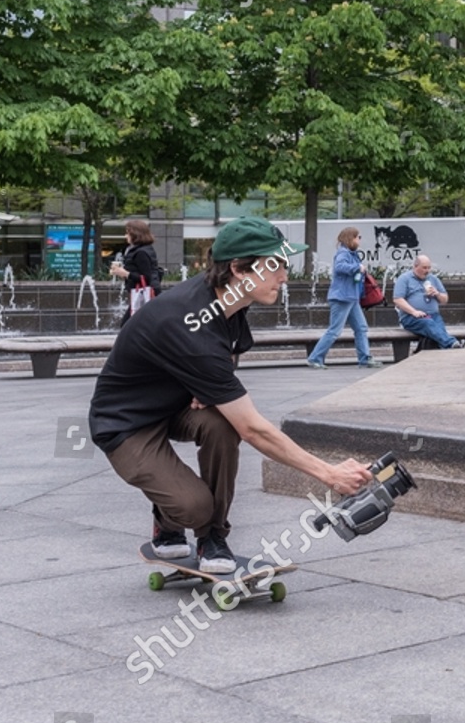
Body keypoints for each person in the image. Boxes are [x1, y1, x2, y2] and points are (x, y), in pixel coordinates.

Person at [88, 216, 374, 571]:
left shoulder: (229, 301)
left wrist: (203, 384)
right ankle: (168, 521)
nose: (284, 276)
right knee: (195, 506)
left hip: (173, 404)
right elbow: (253, 429)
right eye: (275, 266)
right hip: (126, 424)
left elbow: (225, 357)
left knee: (221, 423)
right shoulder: (190, 323)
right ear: (239, 269)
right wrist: (328, 474)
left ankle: (212, 538)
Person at [306, 227, 383, 369]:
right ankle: (315, 358)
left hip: (351, 298)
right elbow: (340, 267)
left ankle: (365, 358)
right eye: (357, 237)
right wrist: (357, 268)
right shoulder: (343, 253)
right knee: (335, 330)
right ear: (350, 238)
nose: (359, 240)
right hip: (342, 297)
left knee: (361, 328)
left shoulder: (350, 253)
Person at [393, 254, 462, 350]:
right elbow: (397, 299)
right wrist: (414, 312)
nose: (427, 271)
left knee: (437, 328)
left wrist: (437, 294)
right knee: (428, 324)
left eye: (429, 268)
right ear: (415, 266)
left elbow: (445, 300)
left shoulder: (433, 279)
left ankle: (445, 350)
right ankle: (451, 343)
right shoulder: (404, 279)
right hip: (411, 317)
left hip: (433, 315)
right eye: (424, 268)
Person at [109, 219, 162, 325]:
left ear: (135, 234)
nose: (126, 236)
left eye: (127, 233)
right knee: (140, 325)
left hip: (144, 295)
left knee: (127, 325)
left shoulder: (141, 252)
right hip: (145, 294)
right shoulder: (143, 249)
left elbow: (146, 278)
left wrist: (125, 273)